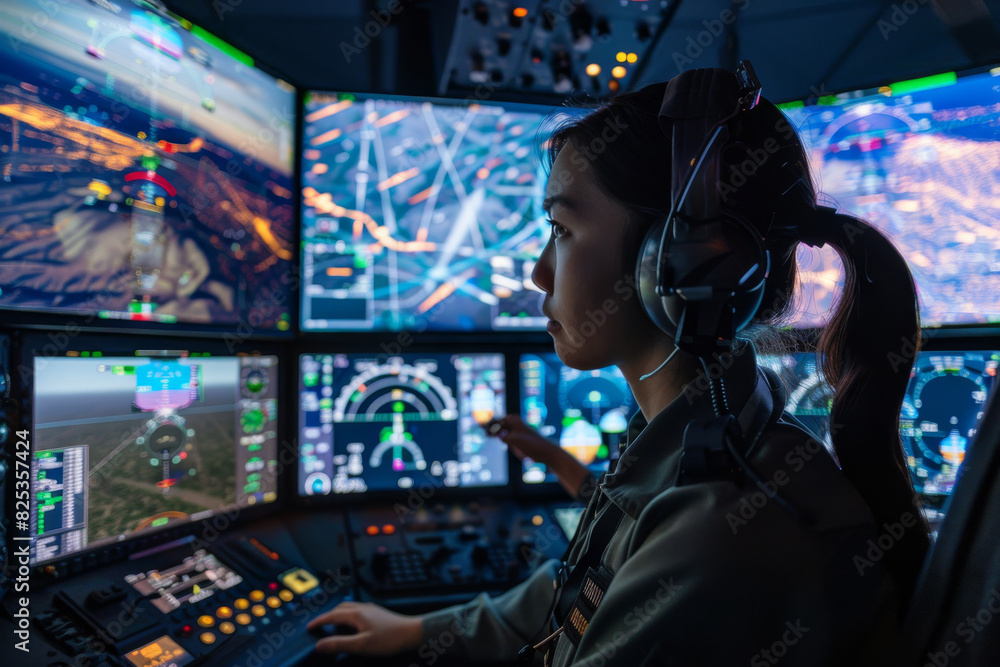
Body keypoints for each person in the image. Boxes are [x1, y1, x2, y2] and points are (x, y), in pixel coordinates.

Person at [307, 65, 930, 665]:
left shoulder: (725, 528)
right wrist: (424, 630)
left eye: (562, 229)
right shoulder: (717, 439)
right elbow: (591, 579)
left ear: (676, 263)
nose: (538, 272)